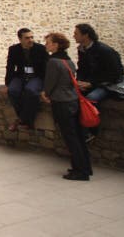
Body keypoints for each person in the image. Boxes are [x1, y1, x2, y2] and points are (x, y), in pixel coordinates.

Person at [41, 32, 92, 181]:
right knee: (78, 136)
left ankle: (80, 171)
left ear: (55, 45)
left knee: (71, 138)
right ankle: (85, 167)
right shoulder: (68, 60)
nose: (46, 45)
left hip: (61, 102)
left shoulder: (53, 62)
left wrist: (45, 93)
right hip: (73, 100)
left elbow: (50, 83)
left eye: (48, 42)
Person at [73, 23, 124, 141]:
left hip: (107, 84)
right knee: (73, 96)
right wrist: (79, 81)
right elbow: (82, 68)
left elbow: (115, 73)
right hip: (91, 82)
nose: (74, 36)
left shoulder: (104, 50)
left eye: (76, 33)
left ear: (85, 35)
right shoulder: (82, 50)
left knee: (91, 99)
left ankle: (91, 131)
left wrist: (92, 83)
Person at [2, 28, 48, 130]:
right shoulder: (14, 49)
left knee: (31, 90)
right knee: (12, 90)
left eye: (32, 37)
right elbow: (10, 67)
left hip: (36, 76)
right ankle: (24, 120)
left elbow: (46, 68)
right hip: (20, 75)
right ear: (20, 39)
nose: (30, 40)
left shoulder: (40, 49)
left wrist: (45, 87)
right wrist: (7, 84)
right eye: (27, 38)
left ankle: (22, 120)